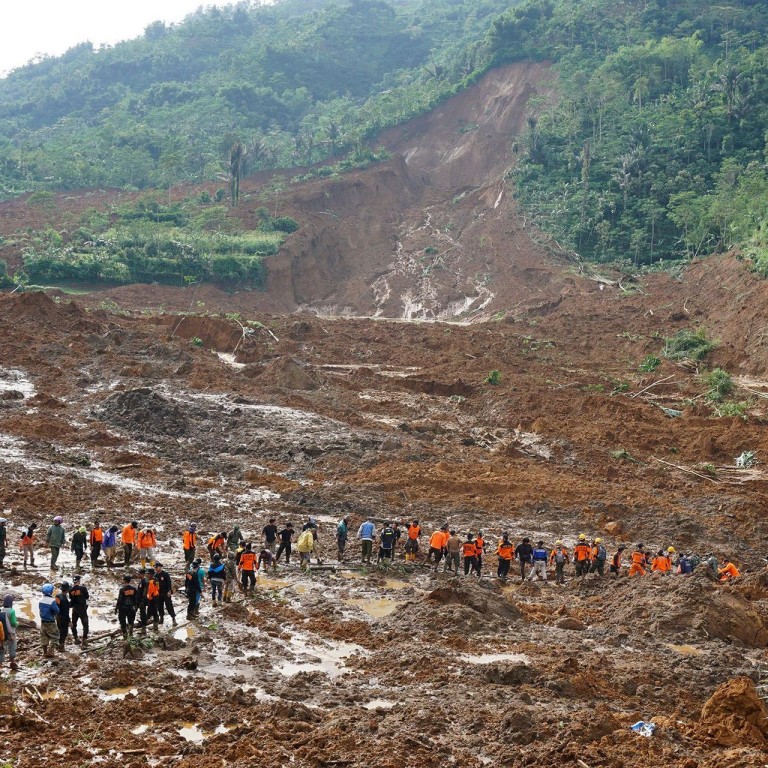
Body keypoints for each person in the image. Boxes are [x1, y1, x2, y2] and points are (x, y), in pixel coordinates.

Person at [39, 583, 60, 658]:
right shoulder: (52, 601)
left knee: (44, 636)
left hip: (43, 621)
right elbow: (56, 611)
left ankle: (45, 652)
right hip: (51, 621)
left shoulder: (40, 600)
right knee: (55, 636)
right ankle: (51, 651)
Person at [69, 574, 90, 648]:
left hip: (75, 609)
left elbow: (71, 599)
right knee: (85, 625)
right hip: (82, 609)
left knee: (74, 624)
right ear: (79, 581)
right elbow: (87, 597)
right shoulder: (83, 588)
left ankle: (76, 638)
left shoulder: (71, 590)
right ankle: (84, 639)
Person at [0, 594, 18, 670]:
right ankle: (12, 661)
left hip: (2, 632)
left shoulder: (1, 610)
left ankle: (0, 664)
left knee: (2, 647)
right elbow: (13, 623)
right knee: (12, 646)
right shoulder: (12, 611)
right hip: (11, 632)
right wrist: (17, 624)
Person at [55, 581, 71, 652]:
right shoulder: (65, 600)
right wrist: (69, 621)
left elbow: (56, 606)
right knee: (64, 632)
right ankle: (61, 646)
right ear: (67, 590)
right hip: (63, 618)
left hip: (58, 616)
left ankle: (57, 645)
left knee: (59, 630)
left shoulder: (57, 596)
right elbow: (66, 612)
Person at [136, 567, 150, 632]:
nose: (138, 575)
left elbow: (145, 592)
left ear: (142, 574)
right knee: (141, 613)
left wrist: (143, 601)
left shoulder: (145, 582)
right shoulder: (141, 581)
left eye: (139, 574)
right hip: (139, 600)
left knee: (143, 614)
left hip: (142, 600)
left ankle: (144, 628)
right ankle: (142, 624)